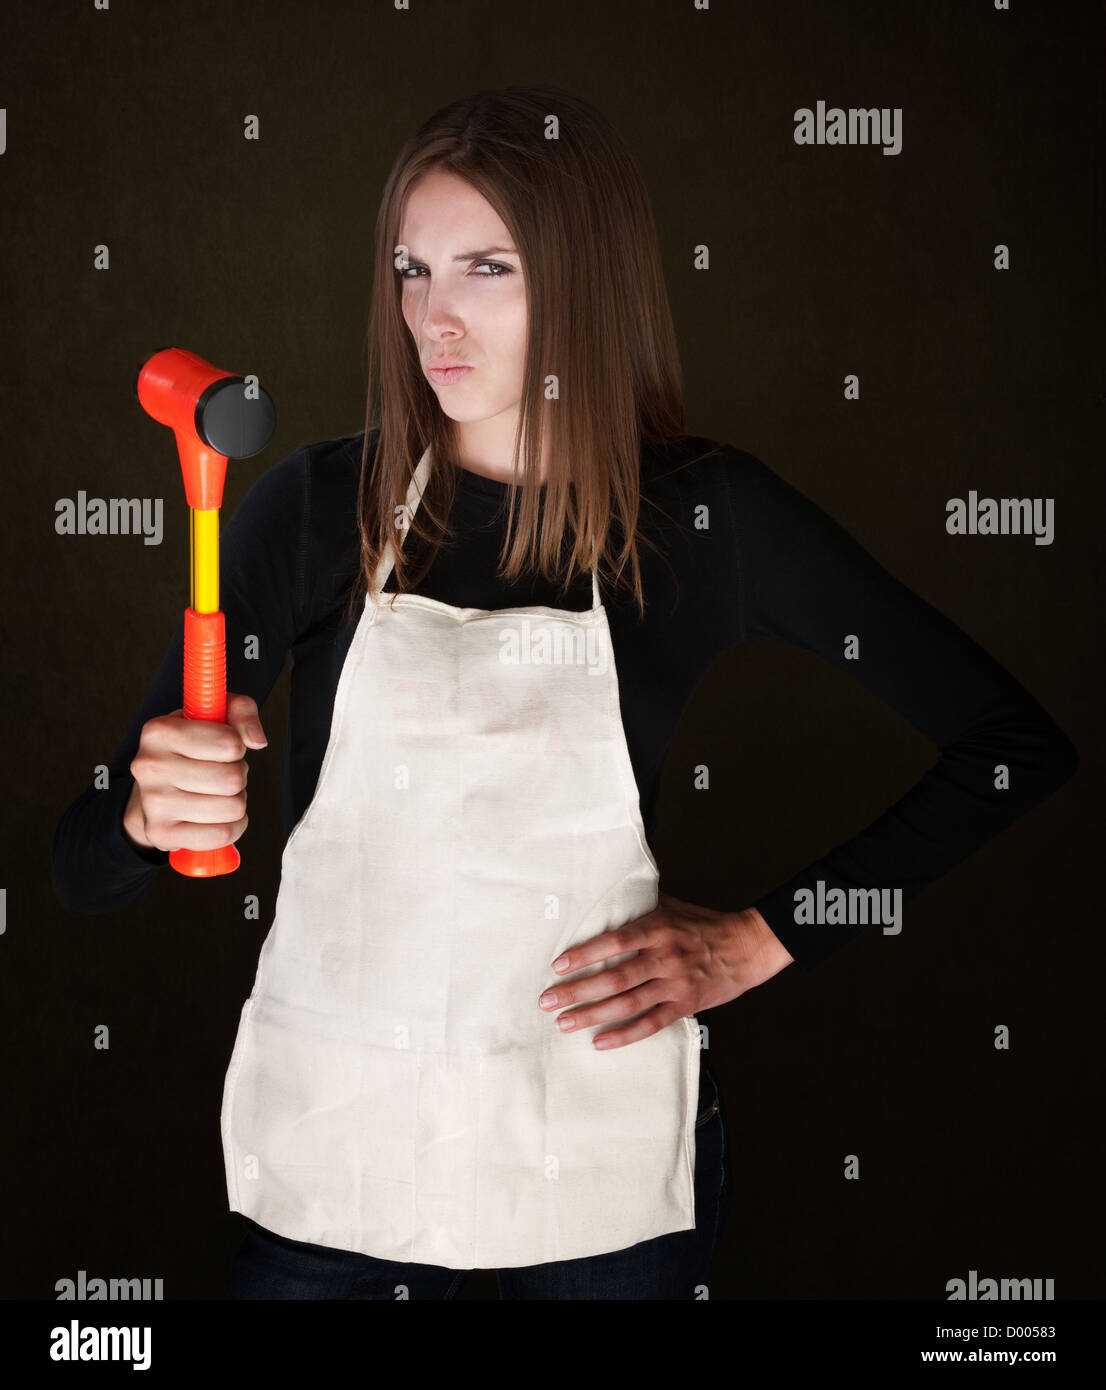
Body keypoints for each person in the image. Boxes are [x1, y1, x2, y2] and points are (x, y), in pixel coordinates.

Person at [52, 86, 1078, 1301]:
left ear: (584, 279)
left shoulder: (706, 519)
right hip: (338, 1171)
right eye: (411, 269)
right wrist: (139, 815)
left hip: (598, 1190)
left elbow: (1012, 747)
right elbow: (79, 865)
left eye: (487, 267)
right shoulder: (314, 508)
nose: (434, 317)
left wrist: (762, 940)